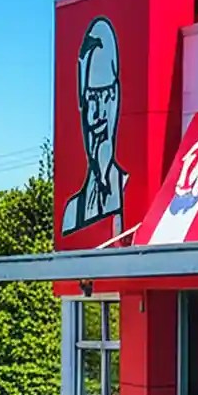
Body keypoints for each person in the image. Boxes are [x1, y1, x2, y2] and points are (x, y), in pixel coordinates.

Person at [62, 17, 127, 235]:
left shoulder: (127, 187)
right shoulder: (73, 213)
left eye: (104, 96)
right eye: (91, 98)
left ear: (116, 98)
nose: (96, 115)